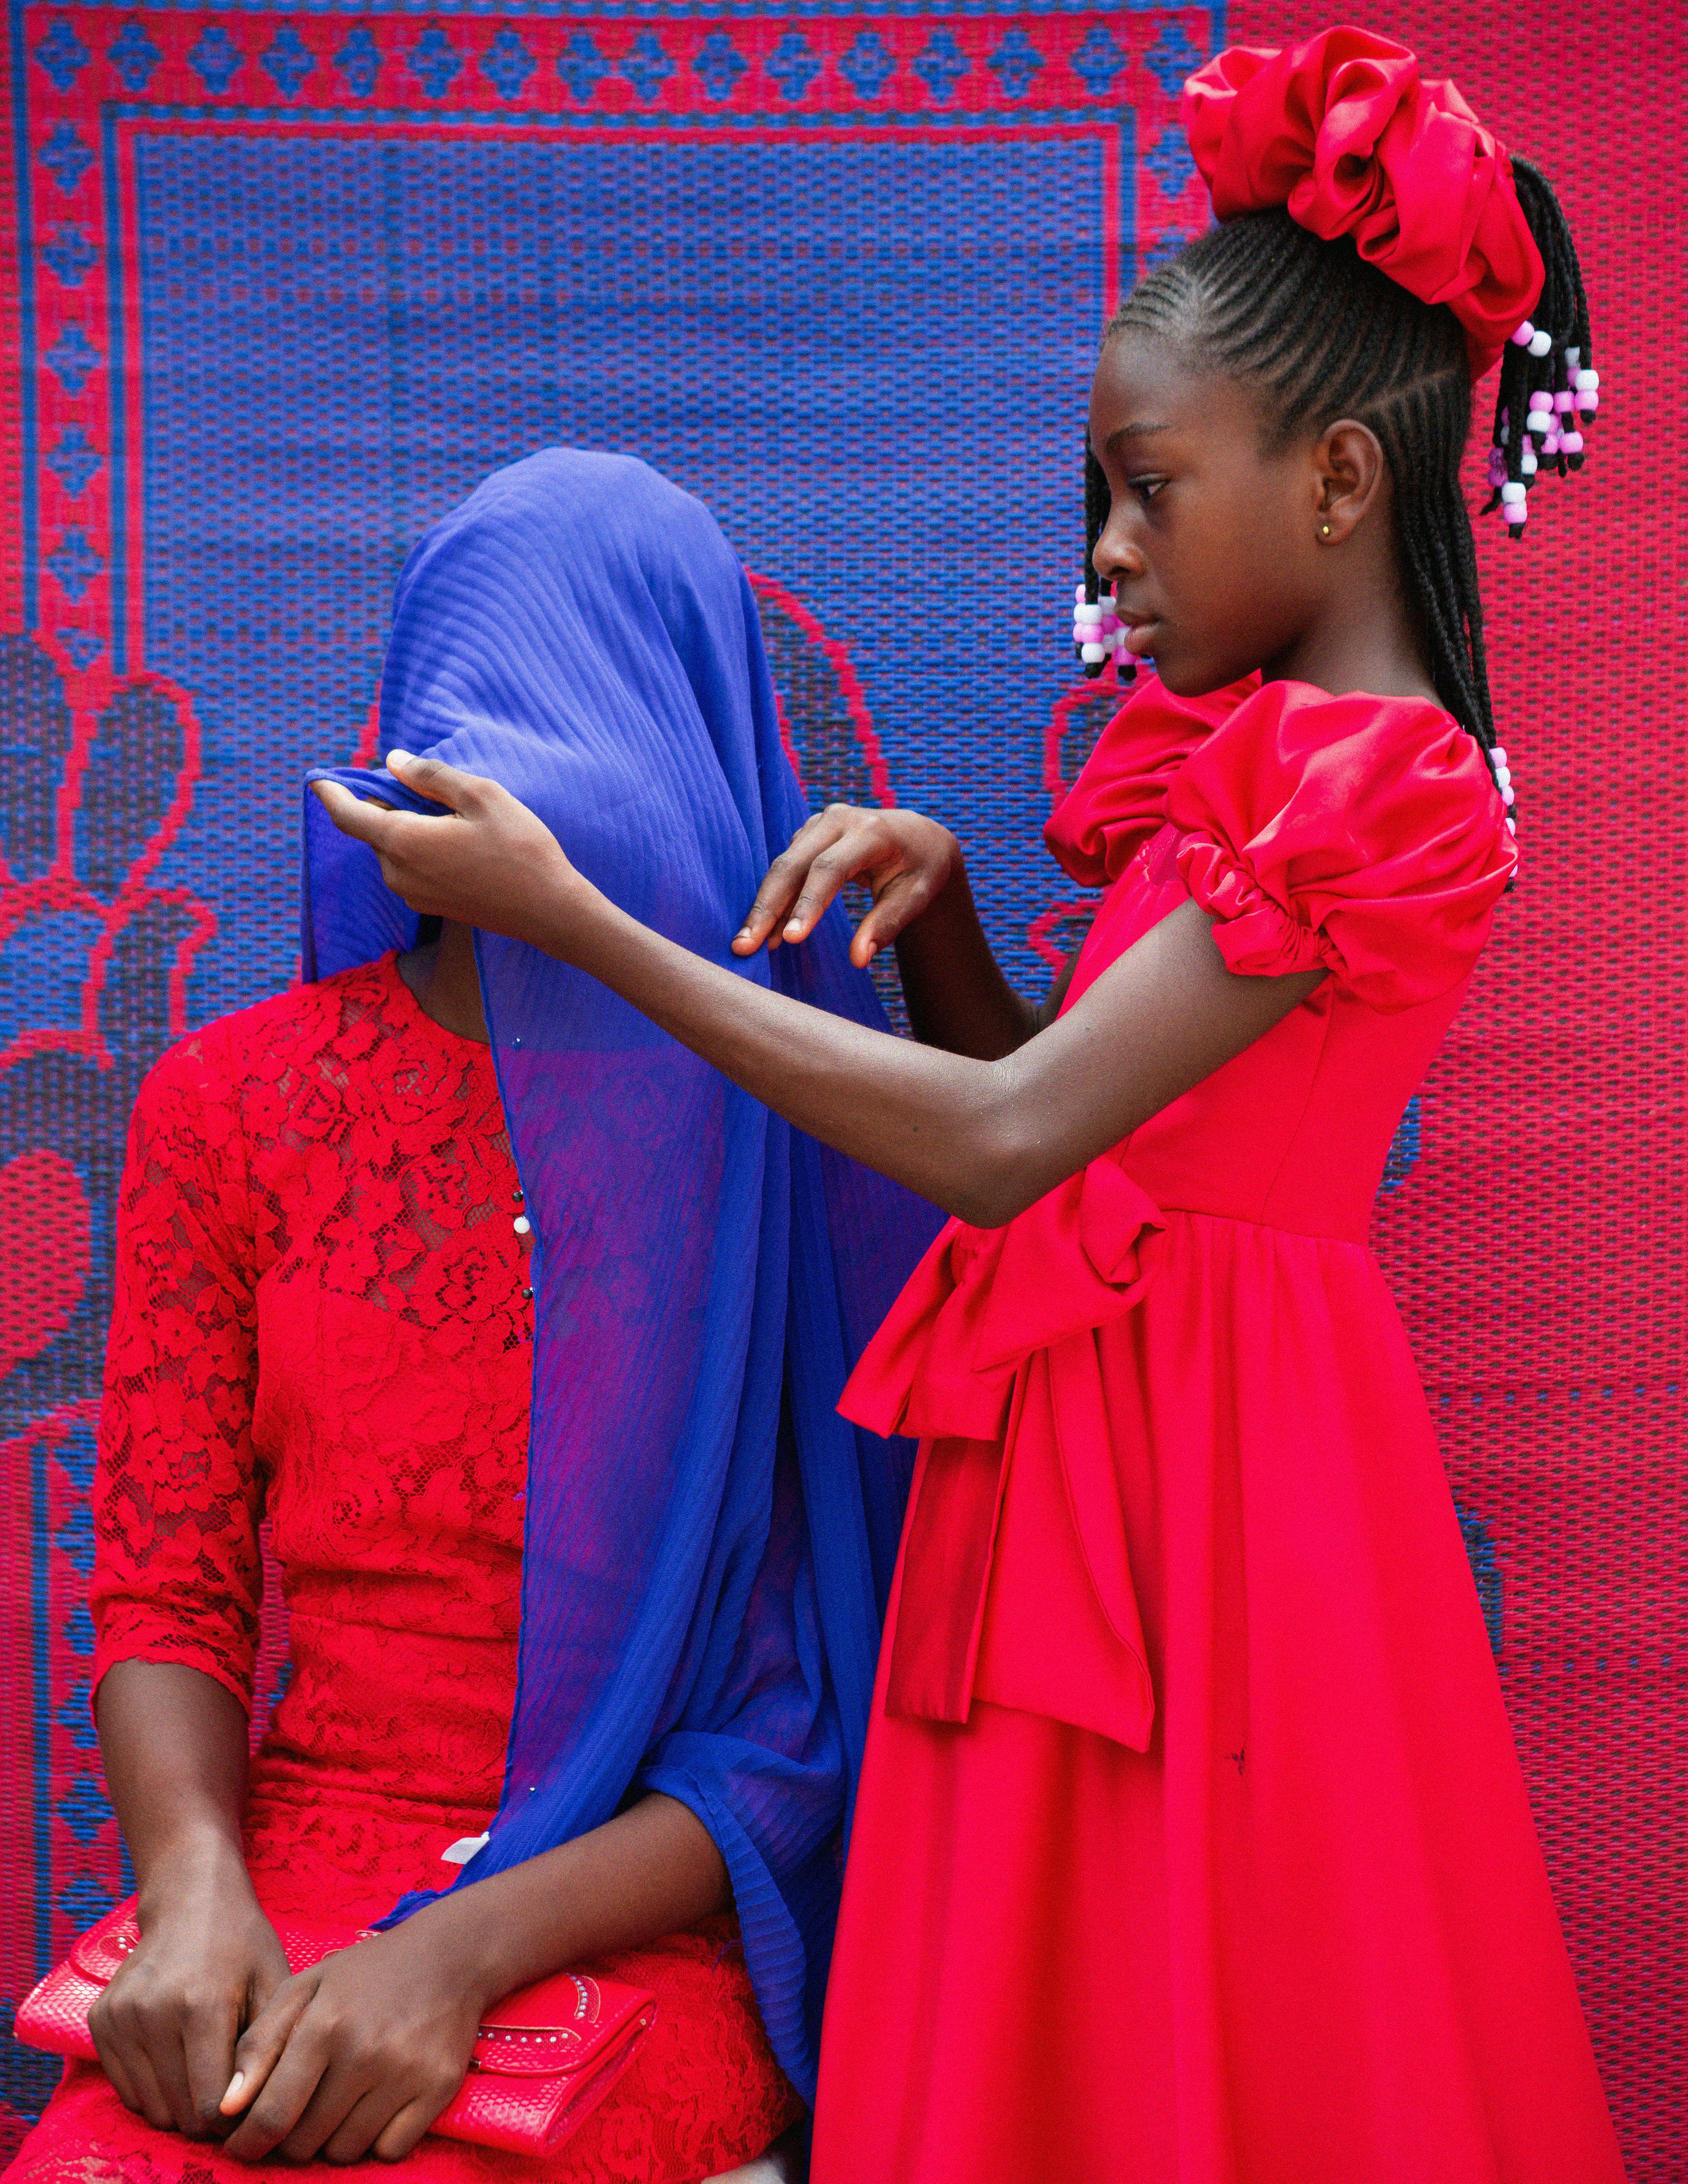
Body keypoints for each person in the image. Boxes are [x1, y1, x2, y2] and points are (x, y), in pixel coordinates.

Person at [311, 29, 1626, 2180]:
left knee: (1229, 1998)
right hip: (1113, 1449)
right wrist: (937, 916)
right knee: (1095, 2017)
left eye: (1149, 484)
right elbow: (1066, 1098)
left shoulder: (1377, 787)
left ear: (1337, 484)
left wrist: (583, 927)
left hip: (1219, 1494)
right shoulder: (1265, 770)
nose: (1108, 549)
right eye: (1102, 492)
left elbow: (1010, 1148)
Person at [10, 453, 936, 2184]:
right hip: (287, 1873)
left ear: (701, 742)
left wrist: (457, 1955)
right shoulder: (235, 1104)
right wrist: (194, 1886)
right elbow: (166, 1586)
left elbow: (809, 1708)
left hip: (630, 1913)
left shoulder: (793, 1117)